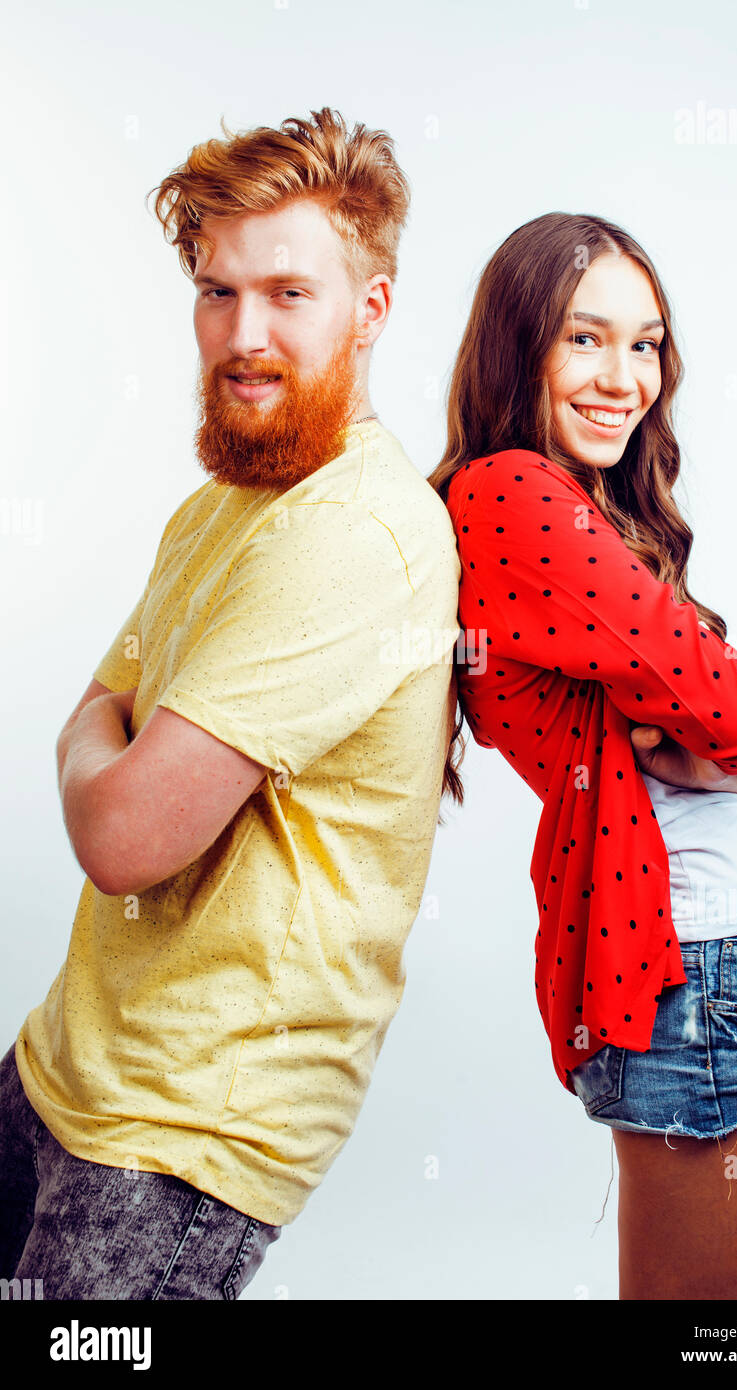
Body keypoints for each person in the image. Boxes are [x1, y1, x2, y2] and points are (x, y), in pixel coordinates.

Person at [1, 107, 461, 1300]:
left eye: (287, 294)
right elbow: (90, 721)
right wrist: (101, 735)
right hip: (68, 1061)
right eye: (216, 292)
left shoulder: (354, 536)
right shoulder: (221, 506)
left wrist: (104, 738)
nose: (240, 336)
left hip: (183, 1131)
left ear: (371, 307)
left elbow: (120, 832)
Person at [428, 212, 737, 1300]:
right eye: (584, 339)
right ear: (520, 344)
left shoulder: (591, 501)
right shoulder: (510, 494)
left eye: (643, 344)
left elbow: (715, 718)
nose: (623, 377)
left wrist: (733, 746)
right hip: (686, 969)